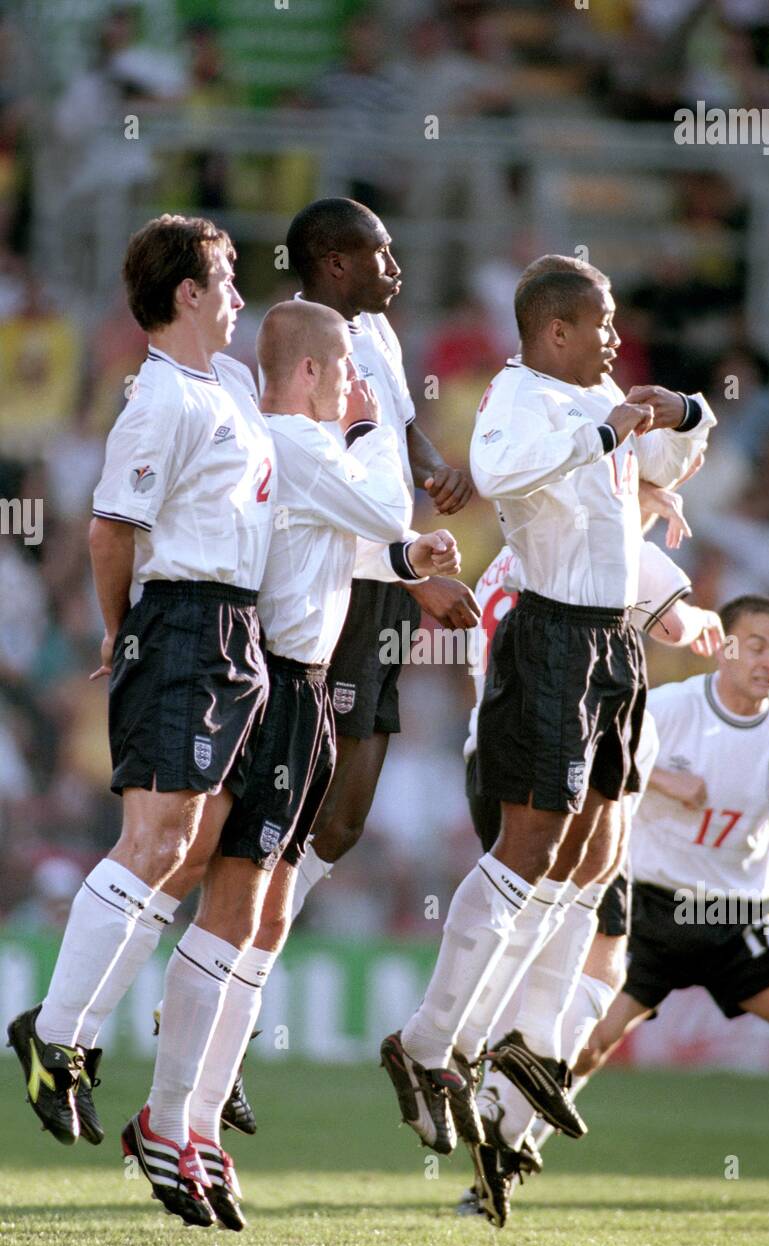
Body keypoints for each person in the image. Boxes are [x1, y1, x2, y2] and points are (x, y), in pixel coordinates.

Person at [123, 298, 461, 1228]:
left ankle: (187, 1118)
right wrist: (378, 426)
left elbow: (359, 538)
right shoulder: (304, 441)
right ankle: (170, 1118)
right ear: (311, 372)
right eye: (347, 368)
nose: (359, 383)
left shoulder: (301, 451)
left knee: (264, 913)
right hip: (276, 677)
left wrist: (406, 558)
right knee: (236, 904)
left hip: (302, 684)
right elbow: (384, 499)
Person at [380, 252, 716, 1160]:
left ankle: (526, 1045)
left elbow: (670, 466)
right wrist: (609, 432)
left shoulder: (596, 392)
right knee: (530, 846)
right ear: (555, 329)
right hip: (554, 636)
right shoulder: (519, 397)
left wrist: (684, 415)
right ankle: (424, 1042)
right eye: (603, 320)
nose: (616, 334)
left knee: (599, 852)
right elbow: (500, 471)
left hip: (615, 640)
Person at [7, 216, 274, 1177]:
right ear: (189, 293)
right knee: (156, 840)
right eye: (229, 275)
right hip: (182, 623)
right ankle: (58, 1030)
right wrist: (124, 631)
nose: (242, 291)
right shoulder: (158, 399)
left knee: (191, 848)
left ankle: (73, 1030)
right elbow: (111, 530)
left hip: (237, 630)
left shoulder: (234, 385)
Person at [496, 595, 769, 1230]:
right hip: (651, 912)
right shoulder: (668, 710)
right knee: (586, 1047)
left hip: (743, 920)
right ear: (725, 646)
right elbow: (595, 761)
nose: (768, 660)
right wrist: (664, 779)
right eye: (755, 645)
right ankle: (499, 1169)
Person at [456, 535, 723, 1223]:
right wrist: (701, 620)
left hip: (490, 756)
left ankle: (503, 1131)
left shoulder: (511, 561)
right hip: (573, 776)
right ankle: (497, 1099)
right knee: (600, 958)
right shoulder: (610, 546)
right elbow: (672, 625)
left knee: (544, 936)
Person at [280, 198, 478, 939]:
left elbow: (393, 426)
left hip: (386, 577)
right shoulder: (302, 346)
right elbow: (318, 485)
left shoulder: (377, 332)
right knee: (300, 802)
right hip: (335, 583)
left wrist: (431, 469)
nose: (395, 268)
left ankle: (237, 960)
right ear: (335, 263)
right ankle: (227, 959)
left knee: (343, 818)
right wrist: (412, 574)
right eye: (380, 254)